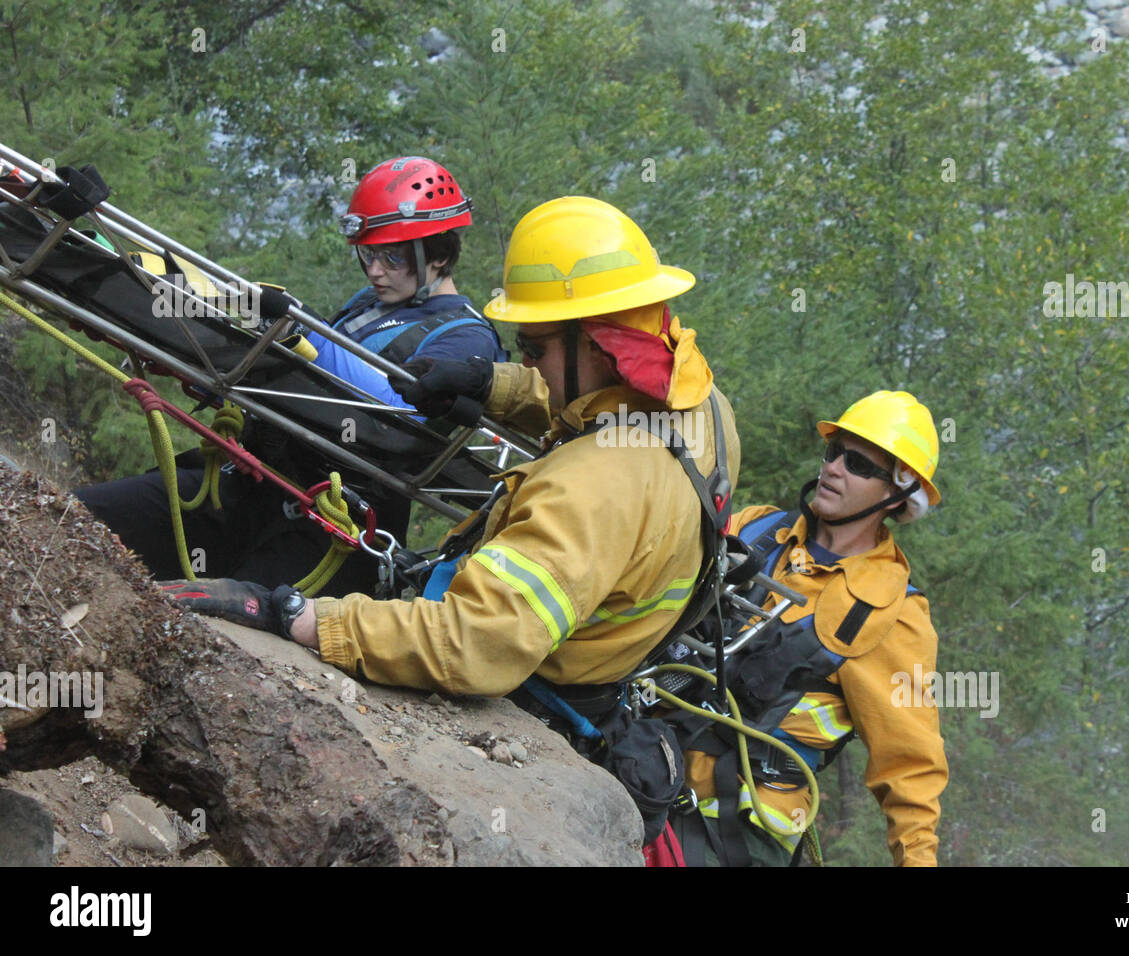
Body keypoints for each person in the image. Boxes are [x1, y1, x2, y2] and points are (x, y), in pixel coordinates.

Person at [161, 196, 742, 848]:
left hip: (530, 693)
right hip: (600, 659)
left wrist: (303, 617)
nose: (529, 363)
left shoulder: (592, 488)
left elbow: (473, 644)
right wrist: (491, 384)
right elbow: (588, 396)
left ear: (600, 343)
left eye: (534, 346)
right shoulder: (700, 405)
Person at [75, 156, 504, 597]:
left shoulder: (464, 338)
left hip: (334, 520)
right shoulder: (369, 306)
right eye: (368, 254)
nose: (375, 270)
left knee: (225, 624)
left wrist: (307, 334)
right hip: (256, 481)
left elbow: (401, 415)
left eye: (392, 256)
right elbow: (299, 380)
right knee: (75, 518)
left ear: (440, 255)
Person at [669, 391, 948, 867]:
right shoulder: (756, 529)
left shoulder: (892, 613)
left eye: (857, 464)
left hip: (739, 829)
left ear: (898, 493)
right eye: (833, 452)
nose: (833, 468)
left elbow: (909, 764)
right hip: (655, 760)